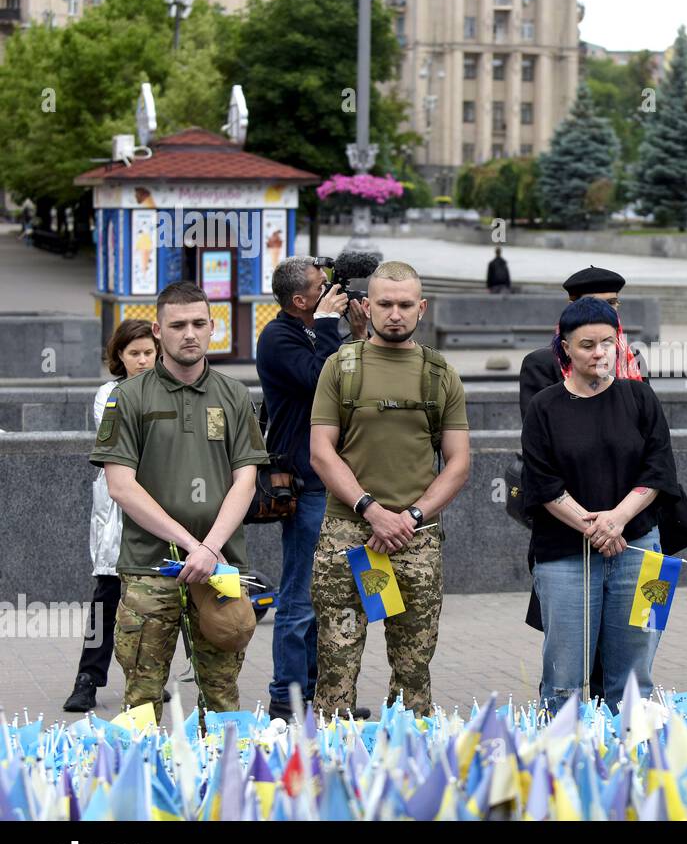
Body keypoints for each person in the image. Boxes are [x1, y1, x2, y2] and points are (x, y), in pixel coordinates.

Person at [90, 282, 268, 720]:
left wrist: (210, 550)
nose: (189, 333)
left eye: (198, 324)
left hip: (221, 570)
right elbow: (121, 486)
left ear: (212, 328)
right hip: (149, 568)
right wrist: (193, 545)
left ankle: (222, 786)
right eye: (177, 325)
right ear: (157, 330)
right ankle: (143, 785)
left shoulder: (234, 395)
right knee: (141, 701)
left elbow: (245, 480)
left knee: (223, 698)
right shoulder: (128, 398)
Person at [309, 261, 471, 717]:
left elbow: (458, 463)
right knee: (336, 670)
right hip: (348, 537)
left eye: (405, 305)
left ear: (422, 308)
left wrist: (411, 516)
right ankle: (333, 772)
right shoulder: (340, 367)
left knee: (414, 672)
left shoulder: (440, 374)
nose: (394, 313)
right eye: (384, 304)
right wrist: (371, 511)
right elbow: (321, 452)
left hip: (415, 539)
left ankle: (408, 766)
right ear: (367, 306)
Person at [520, 297, 682, 713]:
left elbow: (658, 469)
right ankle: (563, 758)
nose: (599, 352)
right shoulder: (545, 407)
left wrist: (618, 520)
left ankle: (632, 757)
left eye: (607, 342)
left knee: (634, 675)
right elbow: (542, 481)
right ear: (566, 349)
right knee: (566, 676)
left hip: (640, 549)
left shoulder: (640, 398)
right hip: (565, 554)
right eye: (587, 344)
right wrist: (594, 527)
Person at [256, 256, 368, 722]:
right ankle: (287, 696)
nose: (332, 293)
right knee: (300, 597)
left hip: (345, 484)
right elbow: (322, 380)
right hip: (308, 484)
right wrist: (327, 325)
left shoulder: (315, 332)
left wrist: (359, 335)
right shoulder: (278, 337)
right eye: (323, 289)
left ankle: (326, 693)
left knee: (337, 597)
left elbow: (352, 376)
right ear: (300, 300)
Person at [517, 265, 644, 675]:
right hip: (568, 528)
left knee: (629, 656)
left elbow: (650, 453)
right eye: (597, 306)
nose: (608, 314)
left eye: (613, 306)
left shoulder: (632, 367)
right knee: (570, 660)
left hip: (631, 530)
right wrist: (593, 523)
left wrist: (621, 518)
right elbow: (542, 454)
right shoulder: (543, 366)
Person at [63, 321, 159, 713]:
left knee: (158, 602)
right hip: (119, 513)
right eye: (133, 353)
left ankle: (147, 679)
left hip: (163, 512)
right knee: (107, 597)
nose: (141, 360)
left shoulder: (174, 391)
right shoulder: (109, 394)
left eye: (148, 352)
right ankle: (88, 679)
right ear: (119, 356)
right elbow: (132, 444)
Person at [518, 265, 642, 420]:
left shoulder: (633, 358)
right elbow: (537, 429)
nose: (604, 311)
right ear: (573, 306)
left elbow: (648, 419)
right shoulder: (541, 363)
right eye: (594, 303)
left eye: (611, 302)